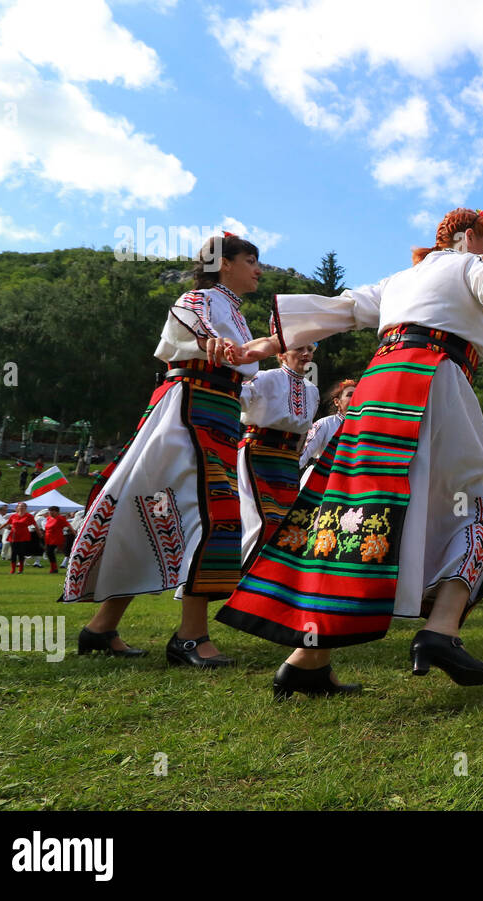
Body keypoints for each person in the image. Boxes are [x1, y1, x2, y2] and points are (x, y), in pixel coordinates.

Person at [216, 208, 483, 698]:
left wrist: (262, 346)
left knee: (361, 510)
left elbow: (341, 309)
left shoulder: (399, 280)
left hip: (377, 386)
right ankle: (440, 631)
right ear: (469, 237)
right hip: (435, 377)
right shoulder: (468, 264)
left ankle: (308, 659)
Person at [62, 231, 262, 665]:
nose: (258, 270)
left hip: (216, 411)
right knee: (212, 512)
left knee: (154, 511)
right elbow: (189, 319)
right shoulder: (202, 299)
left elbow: (244, 369)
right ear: (225, 263)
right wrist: (211, 341)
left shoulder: (235, 311)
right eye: (250, 260)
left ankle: (100, 628)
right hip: (191, 409)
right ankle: (190, 638)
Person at [237, 343, 320, 570]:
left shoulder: (312, 391)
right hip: (257, 453)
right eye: (299, 348)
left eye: (310, 349)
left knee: (287, 525)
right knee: (261, 521)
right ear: (281, 354)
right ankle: (241, 578)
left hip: (287, 461)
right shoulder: (265, 378)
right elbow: (239, 397)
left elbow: (304, 433)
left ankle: (268, 579)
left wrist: (297, 460)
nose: (306, 354)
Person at [298, 378, 357, 477]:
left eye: (357, 394)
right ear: (337, 402)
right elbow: (304, 454)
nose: (355, 397)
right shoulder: (324, 424)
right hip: (323, 478)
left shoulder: (366, 428)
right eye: (350, 395)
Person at [6, 501, 40, 574]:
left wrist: (39, 533)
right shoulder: (13, 516)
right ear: (17, 508)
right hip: (14, 535)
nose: (21, 507)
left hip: (23, 535)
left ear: (25, 508)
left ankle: (20, 569)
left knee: (21, 553)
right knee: (13, 552)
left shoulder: (29, 516)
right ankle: (13, 569)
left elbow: (35, 524)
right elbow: (7, 524)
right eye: (20, 506)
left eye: (23, 506)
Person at [41, 506, 72, 573]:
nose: (50, 513)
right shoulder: (49, 518)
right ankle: (54, 568)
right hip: (48, 537)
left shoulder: (60, 518)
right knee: (49, 553)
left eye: (52, 511)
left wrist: (75, 534)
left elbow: (69, 526)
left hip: (56, 538)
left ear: (57, 512)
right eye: (50, 511)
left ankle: (54, 568)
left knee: (50, 552)